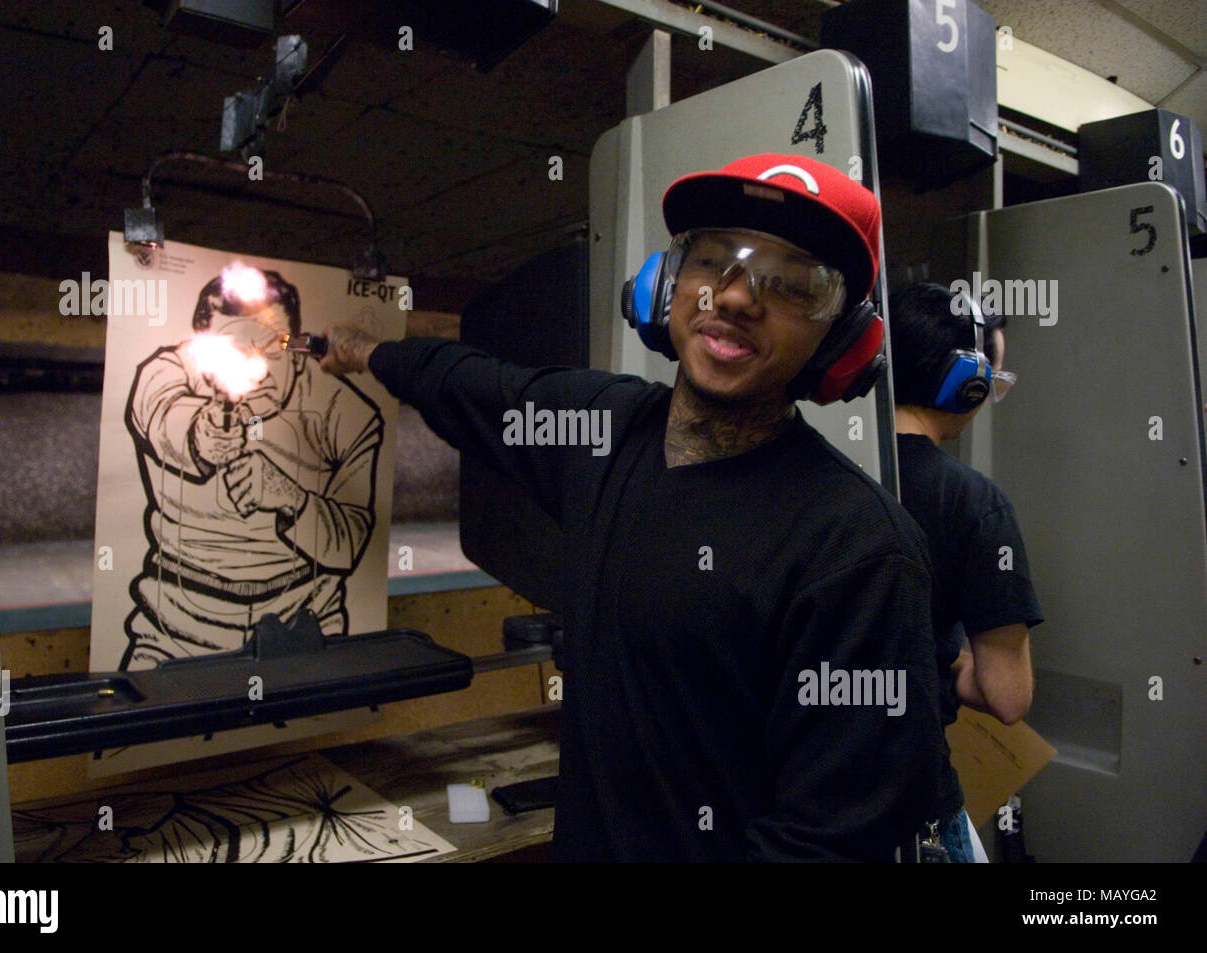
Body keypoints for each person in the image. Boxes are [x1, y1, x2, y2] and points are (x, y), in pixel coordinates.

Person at [323, 154, 957, 861]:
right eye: (717, 260)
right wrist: (364, 349)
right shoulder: (602, 426)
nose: (739, 296)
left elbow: (830, 842)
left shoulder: (858, 550)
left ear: (841, 342)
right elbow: (469, 386)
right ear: (667, 286)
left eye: (791, 283)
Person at [120, 266, 384, 668]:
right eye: (234, 349)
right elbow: (160, 409)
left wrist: (290, 498)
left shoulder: (344, 414)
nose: (257, 369)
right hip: (175, 625)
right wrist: (198, 436)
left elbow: (349, 545)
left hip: (304, 619)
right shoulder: (167, 371)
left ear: (296, 354)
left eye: (273, 348)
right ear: (199, 350)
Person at [888, 281, 1044, 862]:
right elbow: (1007, 696)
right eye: (991, 383)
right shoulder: (973, 502)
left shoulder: (821, 468)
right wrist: (957, 662)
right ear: (966, 384)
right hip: (915, 799)